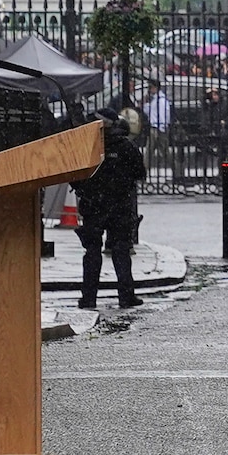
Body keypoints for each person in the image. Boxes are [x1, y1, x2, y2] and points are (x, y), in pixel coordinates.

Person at [74, 106, 146, 311]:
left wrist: (88, 189)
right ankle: (126, 295)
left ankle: (88, 298)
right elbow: (139, 172)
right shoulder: (126, 146)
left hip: (93, 205)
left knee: (92, 252)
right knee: (121, 250)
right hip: (120, 206)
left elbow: (75, 177)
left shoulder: (90, 146)